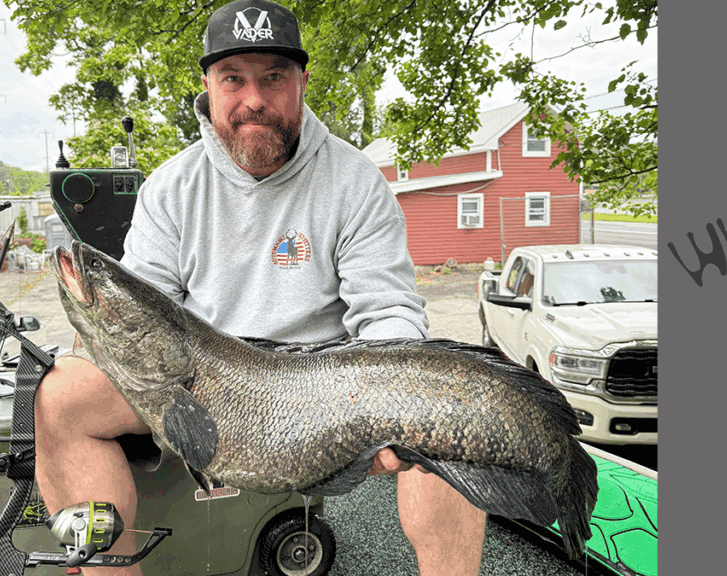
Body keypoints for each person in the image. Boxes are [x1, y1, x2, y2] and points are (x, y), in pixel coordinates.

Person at [34, 1, 487, 574]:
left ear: (301, 82)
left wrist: (390, 403)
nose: (254, 98)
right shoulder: (171, 187)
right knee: (61, 396)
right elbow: (144, 312)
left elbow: (388, 310)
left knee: (446, 411)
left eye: (273, 77)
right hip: (197, 387)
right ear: (208, 86)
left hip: (327, 399)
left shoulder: (354, 180)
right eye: (234, 79)